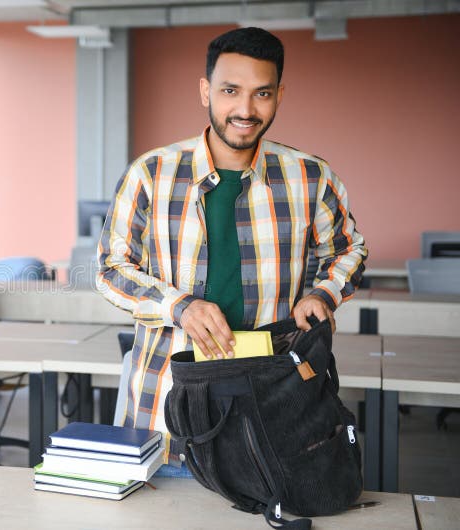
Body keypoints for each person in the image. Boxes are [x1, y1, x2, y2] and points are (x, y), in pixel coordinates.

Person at [96, 27, 367, 475]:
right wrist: (179, 306)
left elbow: (348, 250)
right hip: (164, 417)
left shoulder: (310, 177)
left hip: (272, 413)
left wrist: (323, 294)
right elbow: (110, 269)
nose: (245, 109)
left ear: (280, 94)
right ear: (205, 91)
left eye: (262, 93)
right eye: (229, 91)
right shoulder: (151, 173)